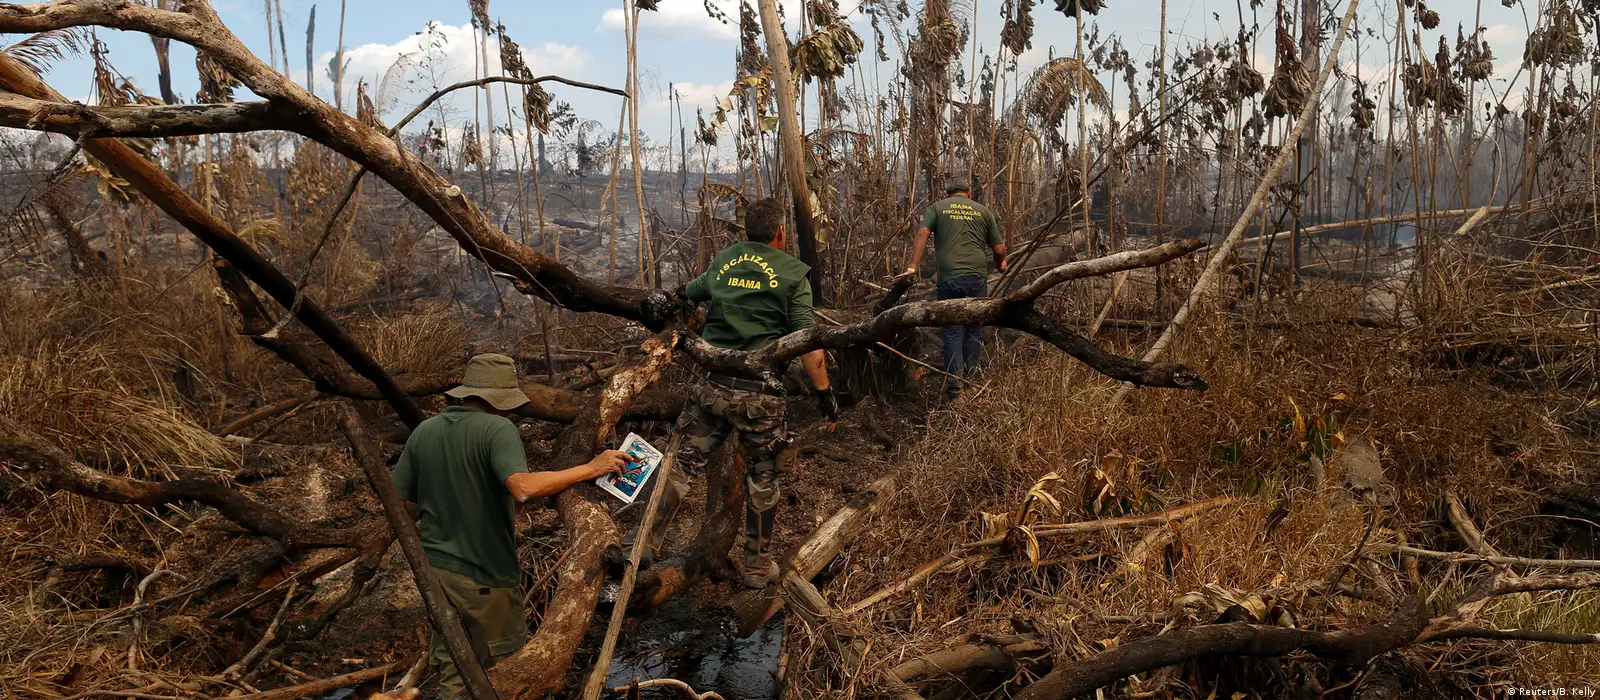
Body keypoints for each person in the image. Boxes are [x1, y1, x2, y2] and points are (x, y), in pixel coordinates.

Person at [615, 197, 839, 589]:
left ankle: (641, 543)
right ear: (780, 232)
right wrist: (825, 394)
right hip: (760, 397)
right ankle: (757, 568)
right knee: (763, 478)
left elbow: (687, 292)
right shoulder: (793, 274)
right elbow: (808, 344)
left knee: (679, 466)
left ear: (747, 230)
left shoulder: (726, 260)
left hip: (712, 388)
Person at [392, 353, 633, 699]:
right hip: (486, 574)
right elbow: (522, 488)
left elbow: (401, 503)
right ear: (497, 398)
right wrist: (592, 468)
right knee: (504, 672)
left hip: (437, 574)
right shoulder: (498, 428)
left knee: (454, 672)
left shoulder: (424, 431)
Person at [893, 178, 1007, 399]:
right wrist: (1000, 263)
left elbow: (922, 233)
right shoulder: (983, 211)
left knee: (952, 331)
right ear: (969, 193)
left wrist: (912, 267)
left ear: (948, 193)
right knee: (973, 328)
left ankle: (956, 391)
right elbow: (999, 249)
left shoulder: (938, 208)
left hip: (950, 278)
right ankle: (972, 383)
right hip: (976, 278)